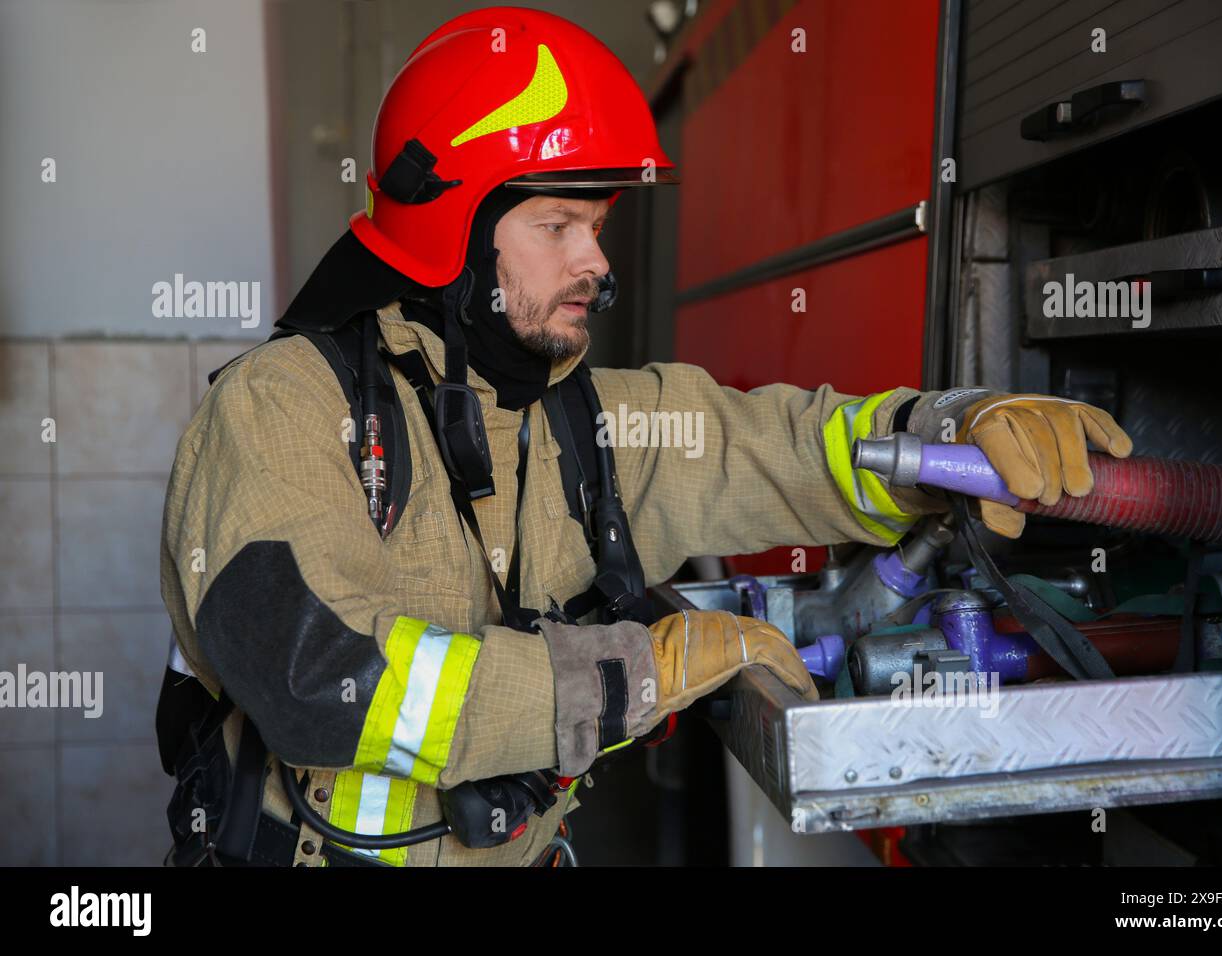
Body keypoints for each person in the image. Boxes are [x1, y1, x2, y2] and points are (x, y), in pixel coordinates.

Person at [157, 7, 1132, 868]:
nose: (596, 261)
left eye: (597, 224)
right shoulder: (276, 409)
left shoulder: (588, 419)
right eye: (557, 225)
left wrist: (952, 432)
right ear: (452, 229)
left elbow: (784, 445)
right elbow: (318, 676)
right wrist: (639, 671)